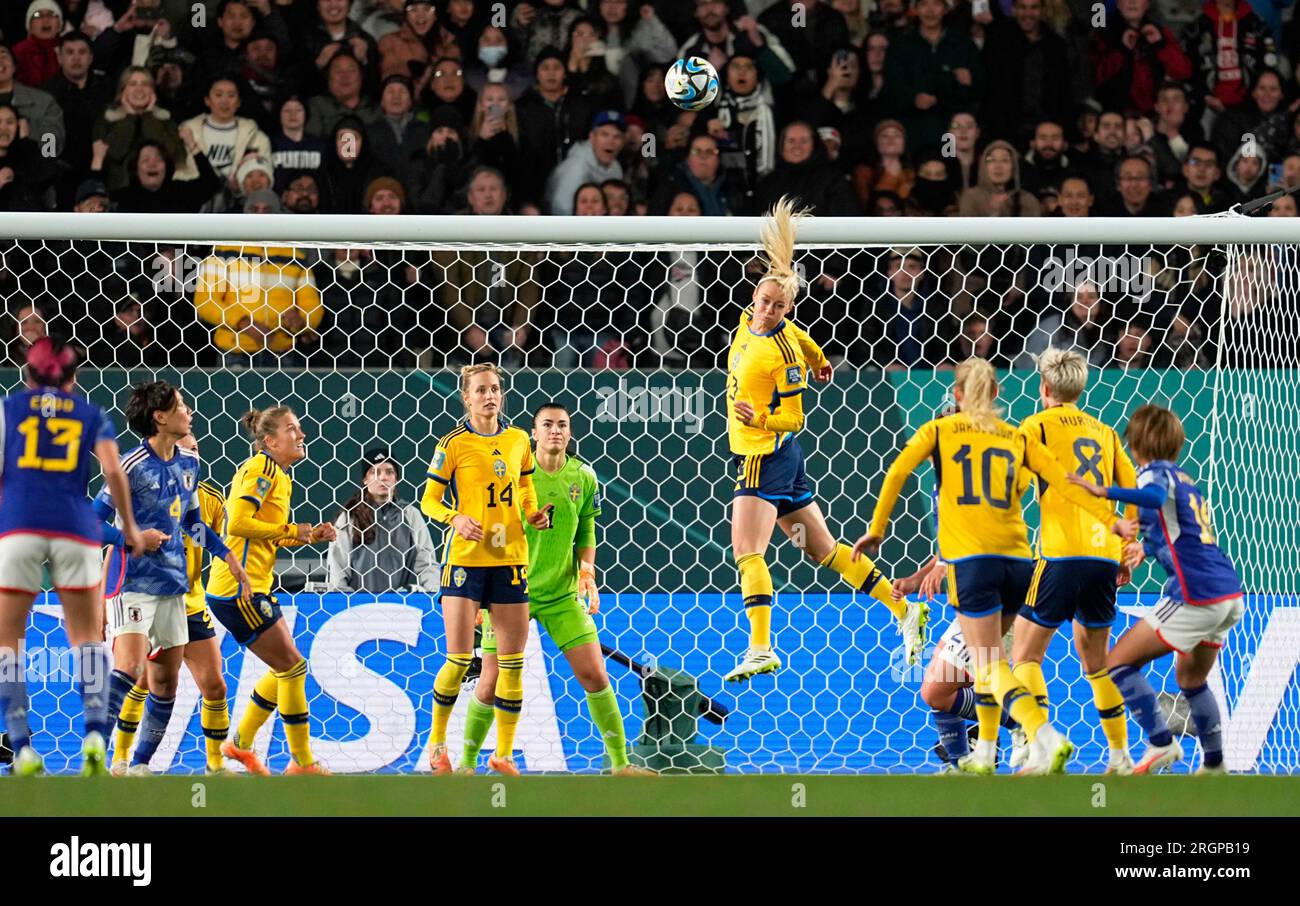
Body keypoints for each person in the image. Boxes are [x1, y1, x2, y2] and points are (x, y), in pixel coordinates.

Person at [856, 357, 1134, 774]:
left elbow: (897, 471)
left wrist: (877, 531)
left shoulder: (945, 434)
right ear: (999, 394)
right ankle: (984, 753)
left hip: (987, 567)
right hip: (1022, 564)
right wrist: (1118, 528)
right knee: (989, 670)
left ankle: (1037, 734)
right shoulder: (1017, 437)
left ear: (958, 395)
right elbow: (1068, 484)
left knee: (993, 666)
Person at [724, 196, 924, 684]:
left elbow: (794, 418)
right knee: (823, 549)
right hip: (783, 464)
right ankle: (904, 610)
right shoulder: (758, 327)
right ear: (756, 296)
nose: (769, 311)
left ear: (789, 306)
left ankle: (759, 646)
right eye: (765, 301)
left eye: (779, 305)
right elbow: (804, 338)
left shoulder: (781, 356)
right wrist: (820, 361)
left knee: (748, 552)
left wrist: (760, 417)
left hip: (764, 453)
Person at [455, 402, 654, 776]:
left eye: (562, 425)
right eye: (547, 424)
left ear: (571, 432)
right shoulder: (513, 476)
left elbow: (587, 529)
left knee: (595, 674)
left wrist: (587, 570)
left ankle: (620, 765)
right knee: (491, 679)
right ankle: (466, 764)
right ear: (533, 433)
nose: (555, 431)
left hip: (562, 595)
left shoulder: (584, 477)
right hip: (510, 591)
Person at [1068, 404, 1244, 774]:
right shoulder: (1185, 481)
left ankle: (1161, 743)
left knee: (1117, 663)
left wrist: (1102, 489)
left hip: (1194, 593)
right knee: (1192, 680)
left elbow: (1148, 497)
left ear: (1134, 446)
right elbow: (1180, 533)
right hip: (1228, 593)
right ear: (1177, 445)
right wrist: (1143, 549)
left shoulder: (1152, 476)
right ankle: (1215, 765)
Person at [0, 339, 143, 777]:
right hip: (76, 527)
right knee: (85, 637)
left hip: (19, 527)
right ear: (73, 377)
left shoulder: (8, 409)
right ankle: (96, 735)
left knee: (8, 642)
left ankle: (21, 747)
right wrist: (131, 528)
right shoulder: (90, 413)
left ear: (27, 374)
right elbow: (113, 471)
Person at [96, 384, 250, 775]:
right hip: (130, 583)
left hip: (173, 588)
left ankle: (140, 765)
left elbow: (193, 525)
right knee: (130, 668)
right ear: (160, 417)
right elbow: (91, 523)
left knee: (165, 685)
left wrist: (226, 554)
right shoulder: (129, 467)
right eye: (181, 405)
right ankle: (95, 751)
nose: (189, 411)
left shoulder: (189, 464)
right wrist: (132, 538)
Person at [1009, 349, 1139, 775]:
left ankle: (1041, 746)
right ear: (1079, 389)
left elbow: (1018, 486)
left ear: (1044, 388)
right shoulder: (1104, 431)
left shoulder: (1034, 426)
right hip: (1103, 557)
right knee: (1097, 667)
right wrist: (1126, 546)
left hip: (1060, 555)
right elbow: (1130, 487)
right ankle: (1120, 757)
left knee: (1025, 658)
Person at [420, 364, 552, 776]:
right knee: (460, 659)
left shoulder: (517, 441)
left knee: (512, 663)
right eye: (481, 390)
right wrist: (455, 518)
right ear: (467, 398)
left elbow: (526, 485)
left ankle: (504, 754)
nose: (490, 396)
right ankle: (437, 743)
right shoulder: (453, 444)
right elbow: (429, 501)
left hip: (510, 559)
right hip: (466, 561)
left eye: (495, 388)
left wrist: (532, 514)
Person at [209, 406, 338, 775]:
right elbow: (238, 523)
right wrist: (292, 529)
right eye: (292, 430)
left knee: (289, 668)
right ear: (270, 441)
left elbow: (269, 536)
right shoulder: (262, 469)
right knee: (293, 667)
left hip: (251, 586)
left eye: (299, 428)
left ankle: (243, 744)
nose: (301, 435)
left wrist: (309, 536)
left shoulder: (279, 475)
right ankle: (300, 762)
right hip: (239, 589)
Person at [328, 448, 438, 593]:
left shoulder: (411, 515)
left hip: (402, 606)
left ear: (396, 478)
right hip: (358, 607)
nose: (383, 477)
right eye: (375, 472)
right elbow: (337, 571)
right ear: (365, 480)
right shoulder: (349, 517)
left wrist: (435, 597)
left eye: (389, 472)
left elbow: (427, 563)